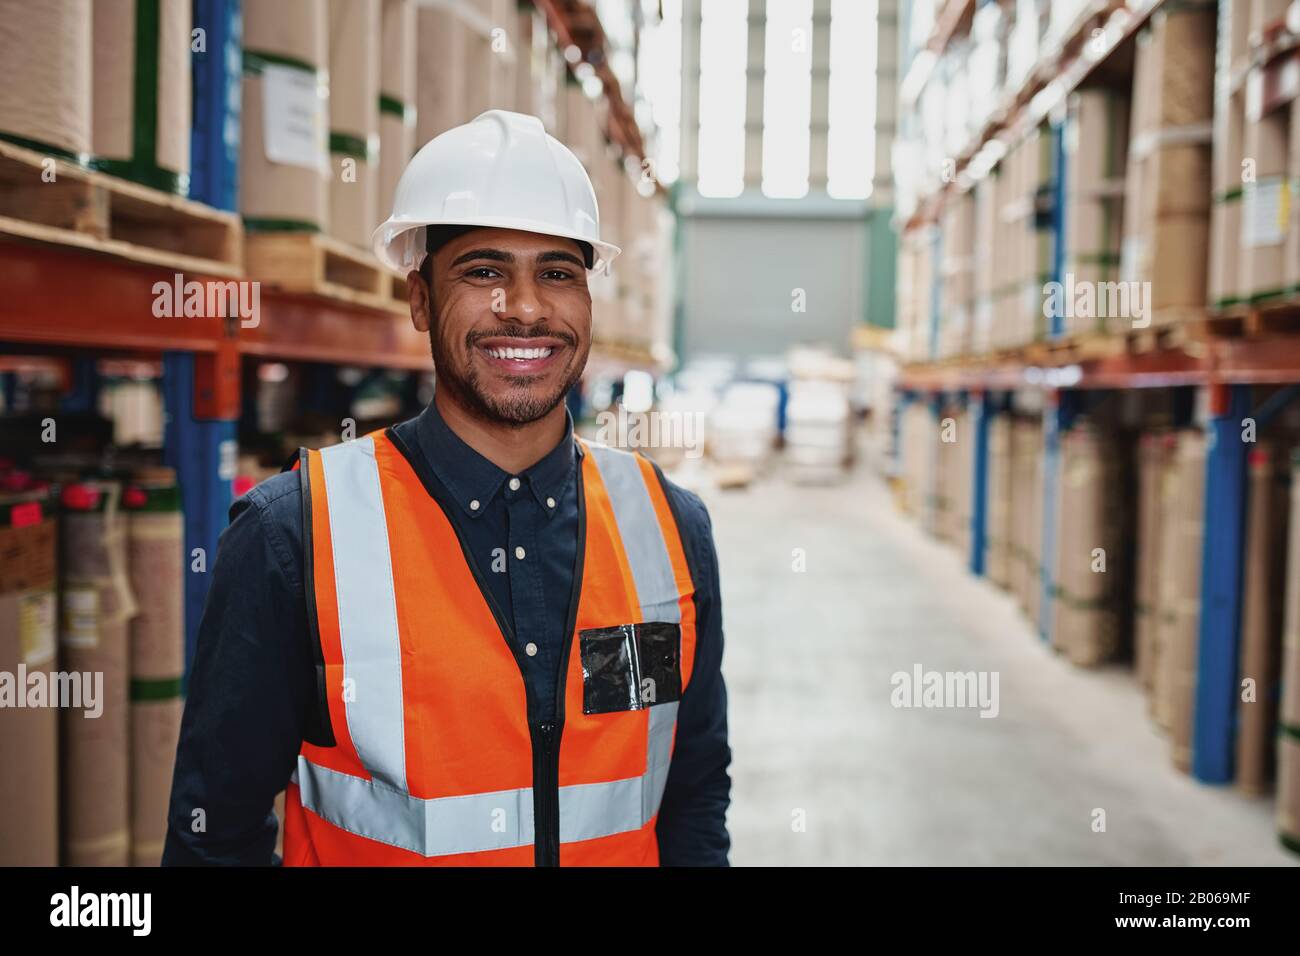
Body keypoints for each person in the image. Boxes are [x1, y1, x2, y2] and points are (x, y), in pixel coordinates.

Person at [162, 110, 731, 866]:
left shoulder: (669, 528)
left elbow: (693, 795)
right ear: (421, 301)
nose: (525, 308)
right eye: (484, 271)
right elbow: (214, 839)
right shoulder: (295, 535)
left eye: (558, 272)